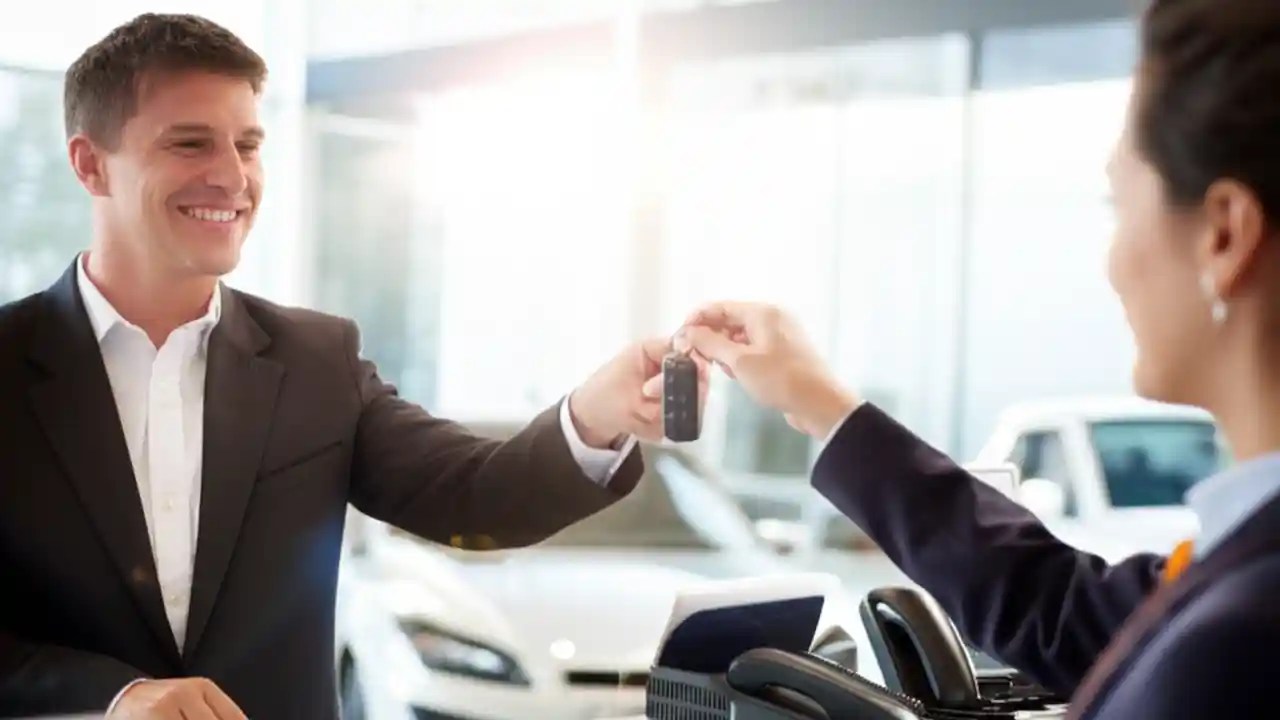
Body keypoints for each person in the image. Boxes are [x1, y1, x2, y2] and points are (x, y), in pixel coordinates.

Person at [0, 14, 705, 720]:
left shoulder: (315, 362)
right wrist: (110, 697)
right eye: (190, 144)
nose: (232, 176)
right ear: (91, 163)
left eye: (248, 145)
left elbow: (477, 497)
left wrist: (595, 415)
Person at [677, 0, 1280, 718]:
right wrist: (821, 406)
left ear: (1224, 235)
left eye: (1119, 206)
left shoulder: (1241, 643)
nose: (1114, 264)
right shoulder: (1241, 571)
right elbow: (1067, 608)